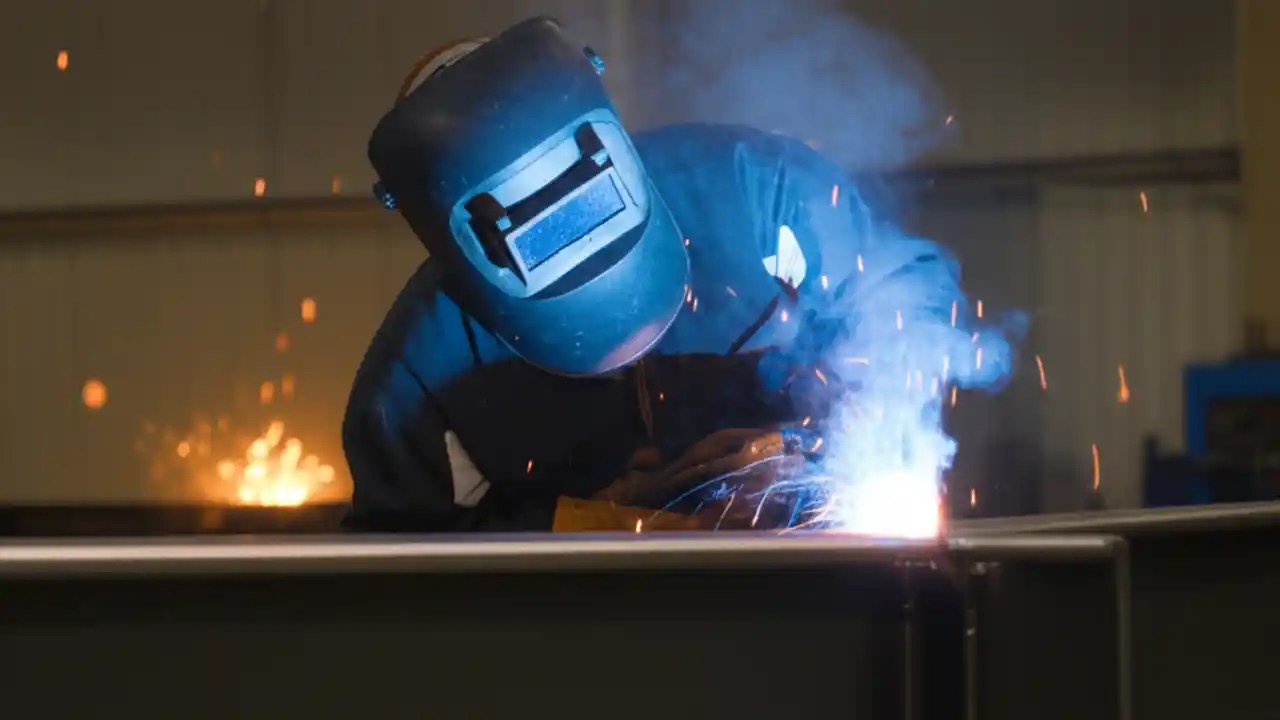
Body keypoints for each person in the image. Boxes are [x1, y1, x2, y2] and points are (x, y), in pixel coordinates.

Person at [342, 17, 957, 532]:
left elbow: (906, 294)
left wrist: (861, 428)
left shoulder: (757, 191)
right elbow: (410, 569)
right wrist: (617, 518)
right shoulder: (415, 385)